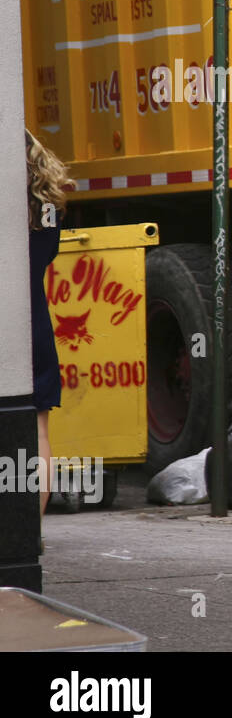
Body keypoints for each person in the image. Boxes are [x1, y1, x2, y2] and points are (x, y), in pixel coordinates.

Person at [26, 129, 72, 521]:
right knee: (38, 430)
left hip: (8, 317)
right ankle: (30, 532)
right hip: (35, 318)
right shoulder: (46, 201)